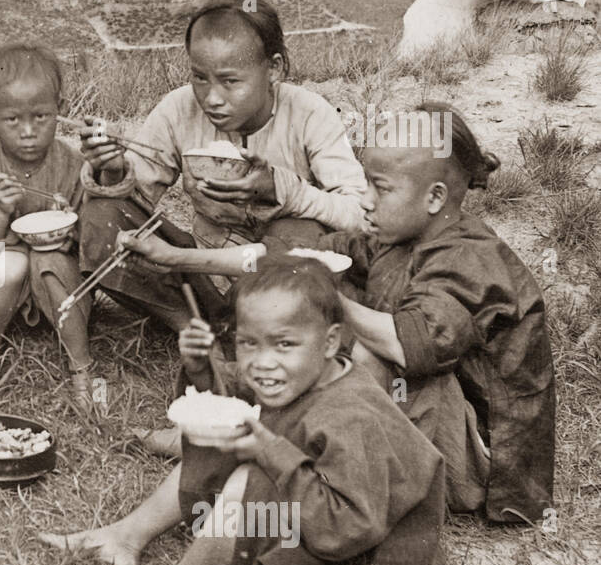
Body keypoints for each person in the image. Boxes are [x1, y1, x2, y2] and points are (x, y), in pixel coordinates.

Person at [125, 104, 556, 524]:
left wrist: (334, 300)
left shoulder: (469, 257)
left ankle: (275, 443)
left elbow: (412, 346)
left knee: (362, 351)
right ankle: (263, 434)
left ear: (435, 197)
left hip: (475, 454)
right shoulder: (399, 236)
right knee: (314, 293)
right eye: (366, 184)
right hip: (423, 415)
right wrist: (176, 256)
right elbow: (287, 257)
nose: (365, 202)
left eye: (381, 188)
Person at [41, 256, 445, 565]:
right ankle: (126, 536)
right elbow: (233, 396)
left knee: (249, 483)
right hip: (325, 533)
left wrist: (272, 456)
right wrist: (202, 368)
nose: (262, 362)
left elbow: (348, 529)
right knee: (225, 436)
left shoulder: (353, 418)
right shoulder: (303, 374)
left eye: (284, 344)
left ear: (329, 342)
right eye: (249, 343)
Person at [78, 0, 367, 333]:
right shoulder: (178, 109)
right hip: (202, 269)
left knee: (298, 234)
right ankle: (193, 327)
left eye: (230, 81)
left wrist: (283, 190)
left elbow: (361, 216)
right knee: (100, 217)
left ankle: (252, 324)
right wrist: (112, 169)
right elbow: (134, 199)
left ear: (273, 68)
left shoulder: (309, 114)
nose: (212, 99)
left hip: (282, 273)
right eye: (200, 77)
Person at [0, 43, 92, 405]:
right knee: (14, 262)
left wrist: (69, 227)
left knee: (45, 260)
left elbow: (89, 242)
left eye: (41, 117)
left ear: (62, 108)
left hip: (58, 285)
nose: (28, 131)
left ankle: (82, 367)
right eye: (12, 120)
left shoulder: (72, 164)